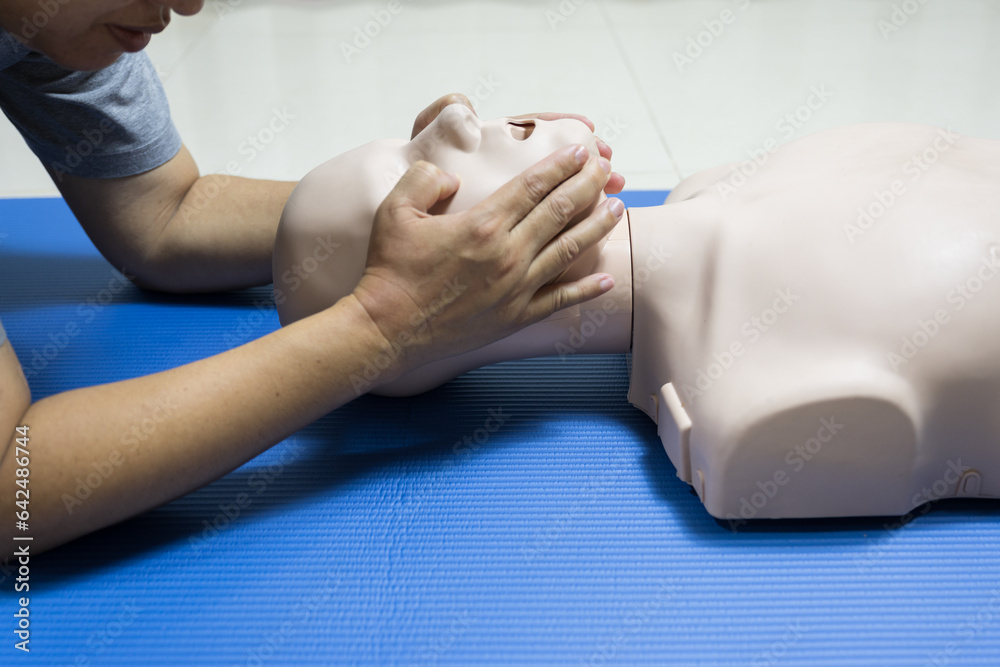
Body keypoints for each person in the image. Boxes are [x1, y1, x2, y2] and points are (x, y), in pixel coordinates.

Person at [0, 0, 627, 557]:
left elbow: (163, 219)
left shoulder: (51, 27)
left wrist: (444, 204)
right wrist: (384, 325)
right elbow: (12, 487)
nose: (187, 7)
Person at [277, 111, 1000, 522]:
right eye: (411, 171)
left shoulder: (714, 187)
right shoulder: (750, 401)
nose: (454, 118)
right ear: (424, 317)